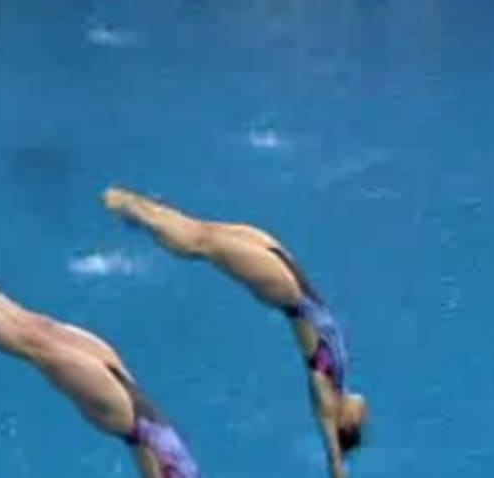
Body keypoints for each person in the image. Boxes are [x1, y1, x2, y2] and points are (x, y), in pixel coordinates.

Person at [103, 187, 368, 478]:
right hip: (289, 267)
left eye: (360, 422)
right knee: (203, 231)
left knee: (201, 245)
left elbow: (335, 461)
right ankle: (140, 209)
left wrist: (339, 461)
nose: (364, 410)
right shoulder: (342, 383)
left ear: (346, 424)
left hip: (288, 291)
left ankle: (134, 211)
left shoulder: (328, 403)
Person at [0, 251, 200, 478]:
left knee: (35, 348)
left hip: (125, 415)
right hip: (131, 391)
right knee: (41, 328)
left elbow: (150, 454)